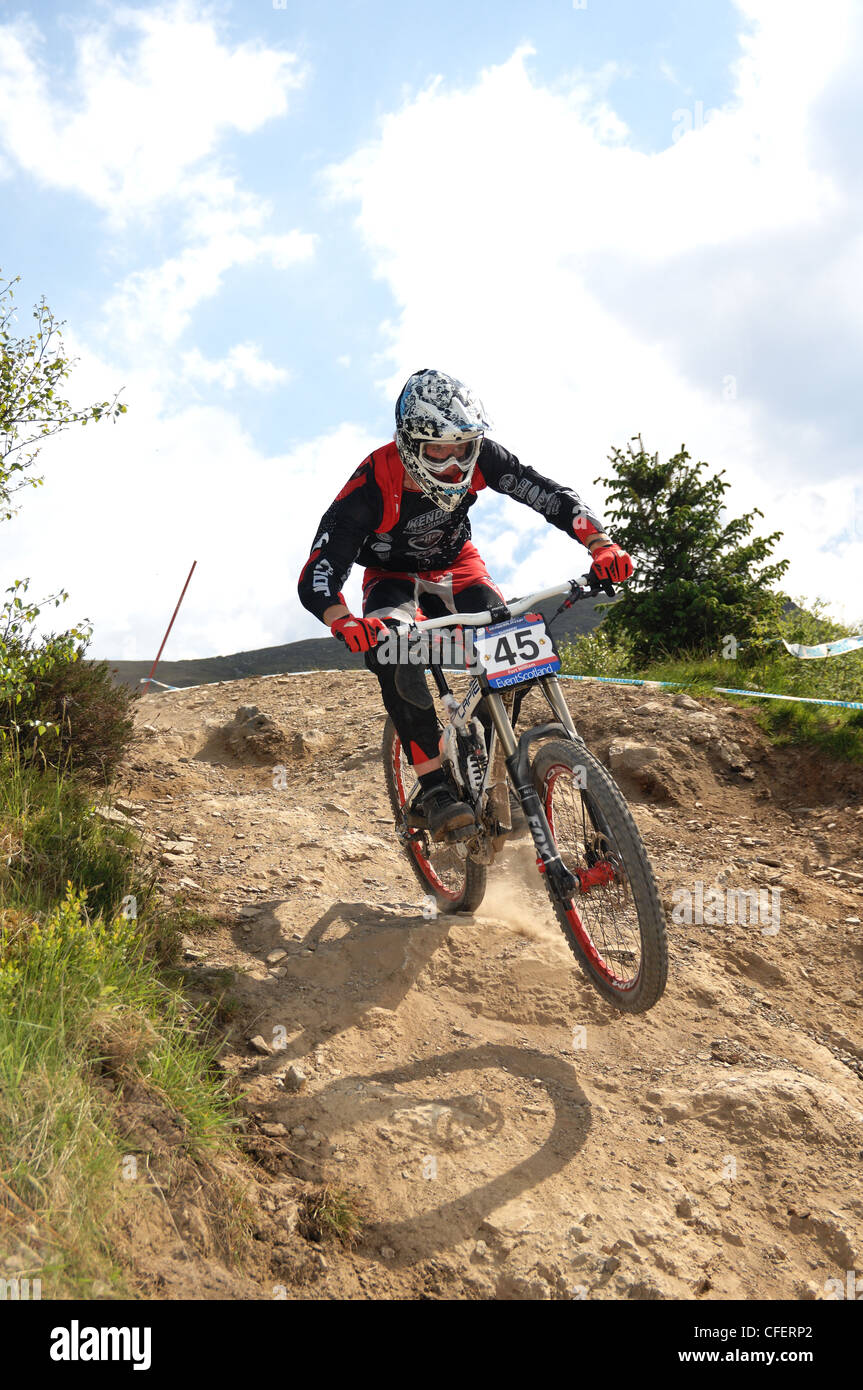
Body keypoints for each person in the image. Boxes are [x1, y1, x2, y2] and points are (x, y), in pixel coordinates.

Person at [298, 369, 632, 839]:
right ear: (409, 444)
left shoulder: (484, 458)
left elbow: (549, 495)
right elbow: (319, 569)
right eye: (439, 449)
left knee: (511, 642)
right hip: (394, 579)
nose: (455, 463)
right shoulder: (372, 481)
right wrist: (341, 619)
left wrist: (600, 543)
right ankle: (434, 786)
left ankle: (491, 769)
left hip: (458, 568)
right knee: (393, 651)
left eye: (464, 446)